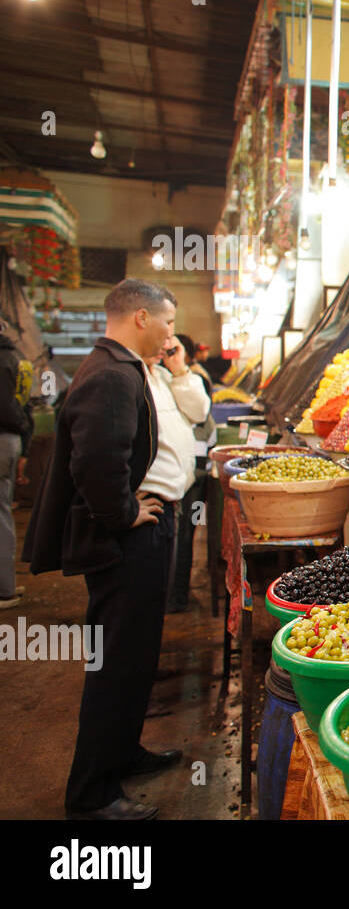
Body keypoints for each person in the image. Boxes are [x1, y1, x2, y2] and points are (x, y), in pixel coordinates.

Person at [22, 279, 182, 820]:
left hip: (130, 535)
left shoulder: (116, 366)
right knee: (115, 663)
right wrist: (124, 513)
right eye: (167, 323)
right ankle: (91, 795)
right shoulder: (112, 375)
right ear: (140, 317)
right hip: (122, 542)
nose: (169, 335)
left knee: (133, 658)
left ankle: (123, 753)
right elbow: (95, 462)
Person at [142, 335, 210, 614]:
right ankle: (173, 595)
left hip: (191, 473)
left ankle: (177, 594)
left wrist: (180, 369)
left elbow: (200, 413)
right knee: (180, 538)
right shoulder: (146, 378)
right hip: (171, 482)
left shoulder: (184, 377)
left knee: (186, 535)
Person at [0, 320, 33, 610]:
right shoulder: (17, 358)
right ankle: (5, 585)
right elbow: (26, 405)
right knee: (3, 512)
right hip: (11, 440)